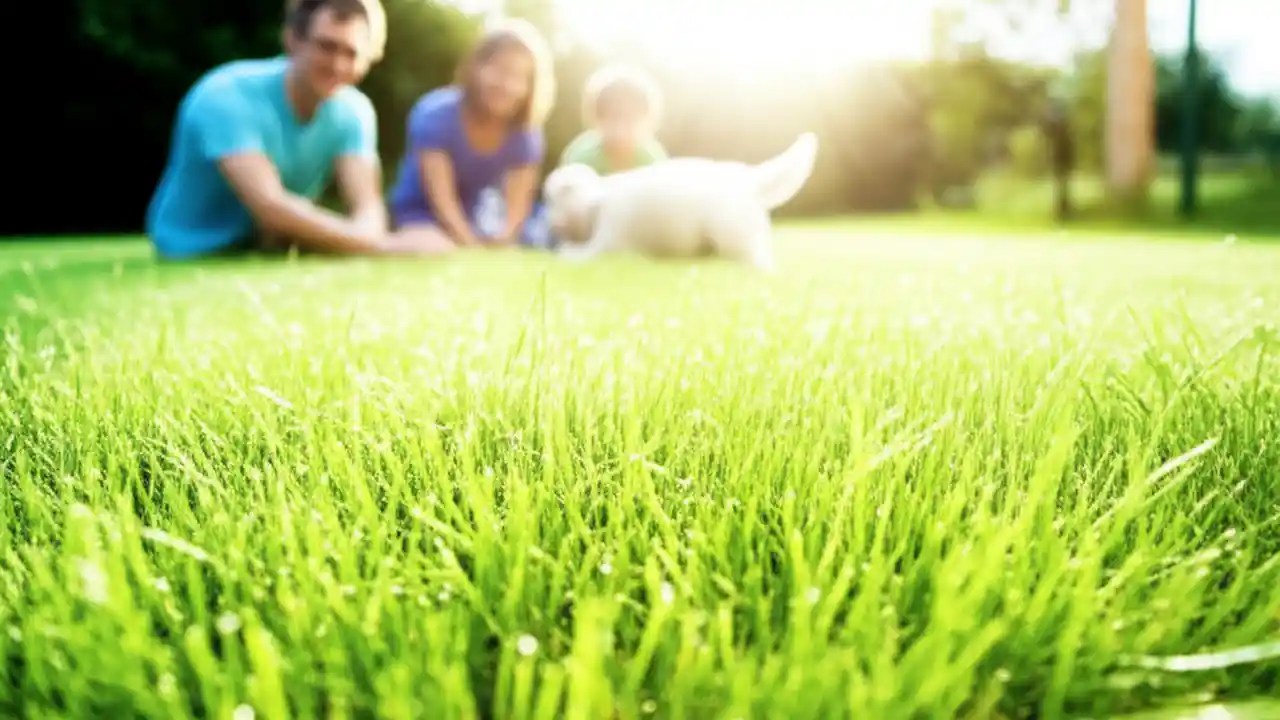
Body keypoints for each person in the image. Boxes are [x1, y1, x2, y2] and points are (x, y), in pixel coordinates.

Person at [145, 0, 420, 258]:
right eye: (326, 46)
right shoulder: (225, 95)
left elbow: (368, 207)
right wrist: (388, 247)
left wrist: (369, 238)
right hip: (192, 250)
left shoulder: (355, 111)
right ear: (292, 39)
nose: (338, 65)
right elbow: (270, 207)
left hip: (273, 249)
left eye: (352, 53)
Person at [386, 19, 556, 253]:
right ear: (476, 68)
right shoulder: (435, 114)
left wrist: (502, 242)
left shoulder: (526, 134)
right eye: (499, 70)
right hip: (420, 215)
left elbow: (516, 213)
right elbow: (443, 202)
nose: (506, 84)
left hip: (476, 219)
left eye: (518, 76)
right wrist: (472, 246)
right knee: (438, 249)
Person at [559, 63, 668, 175]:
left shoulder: (652, 158)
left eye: (630, 119)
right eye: (614, 117)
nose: (620, 128)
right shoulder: (581, 158)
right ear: (597, 117)